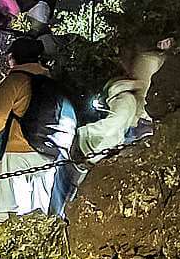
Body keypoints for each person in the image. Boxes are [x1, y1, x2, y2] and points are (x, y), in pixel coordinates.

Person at [52, 41, 170, 213]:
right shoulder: (129, 100)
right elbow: (111, 129)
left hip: (91, 149)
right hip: (89, 152)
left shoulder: (130, 98)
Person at [0, 37, 76, 222]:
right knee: (41, 209)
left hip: (17, 152)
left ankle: (15, 239)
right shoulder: (52, 82)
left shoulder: (14, 81)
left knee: (15, 209)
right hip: (48, 151)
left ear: (12, 57)